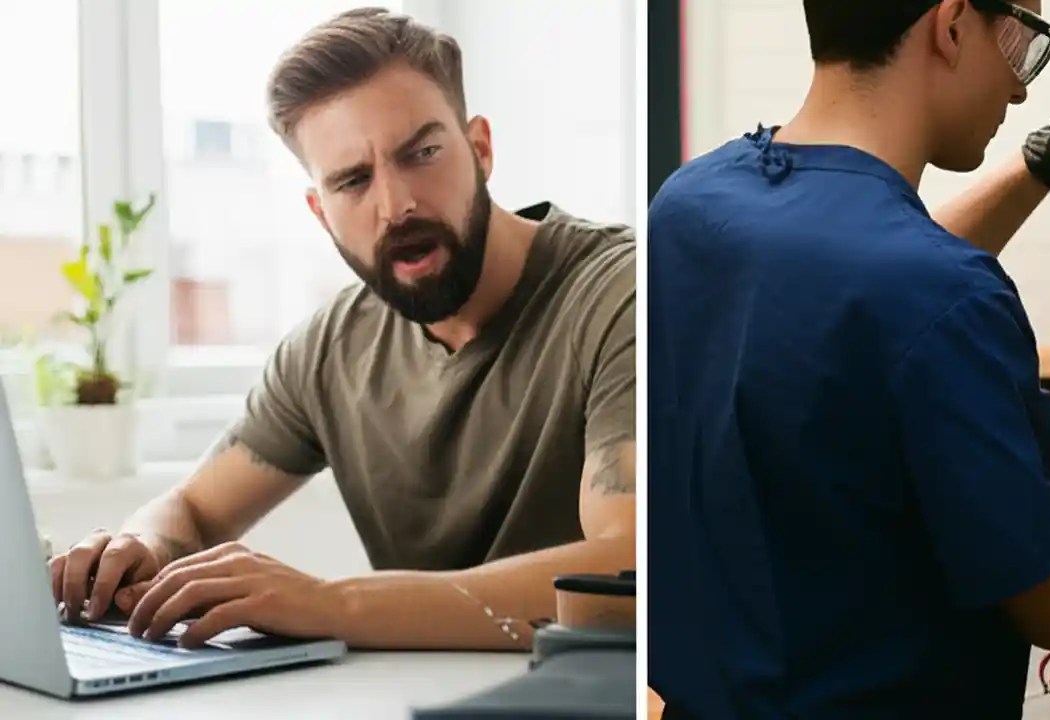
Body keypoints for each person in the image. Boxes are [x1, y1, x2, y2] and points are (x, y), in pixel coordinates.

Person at [648, 0, 1050, 717]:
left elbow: (856, 277)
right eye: (1020, 40)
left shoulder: (690, 206)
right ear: (949, 25)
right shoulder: (939, 296)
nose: (1020, 87)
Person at [48, 7, 636, 651]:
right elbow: (192, 510)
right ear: (320, 211)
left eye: (423, 153)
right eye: (353, 181)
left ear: (481, 149)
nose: (396, 204)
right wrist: (138, 547)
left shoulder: (622, 294)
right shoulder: (329, 351)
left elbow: (629, 565)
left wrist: (333, 604)